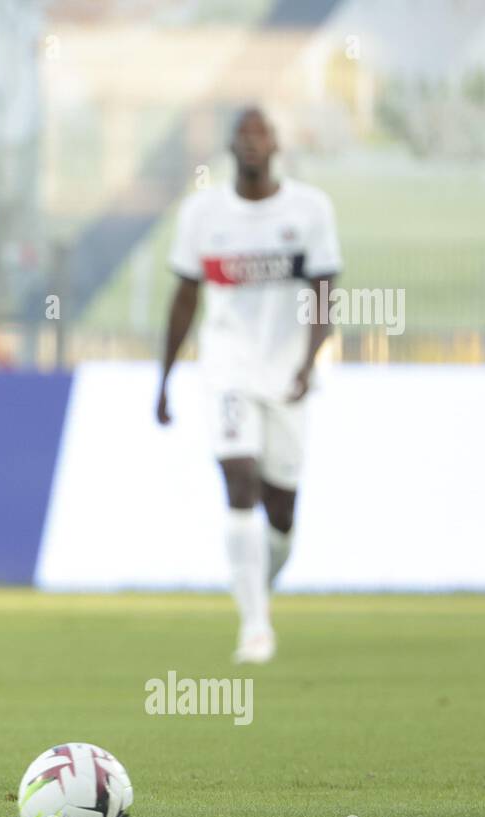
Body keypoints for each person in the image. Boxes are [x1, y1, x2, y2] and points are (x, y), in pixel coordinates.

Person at [157, 107, 341, 663]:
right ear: (232, 148)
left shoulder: (310, 210)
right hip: (226, 367)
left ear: (276, 144)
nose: (253, 144)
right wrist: (163, 378)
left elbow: (325, 293)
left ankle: (258, 585)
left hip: (287, 375)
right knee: (240, 483)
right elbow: (186, 298)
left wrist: (310, 363)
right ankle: (255, 627)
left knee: (281, 511)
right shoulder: (202, 213)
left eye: (262, 134)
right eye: (244, 135)